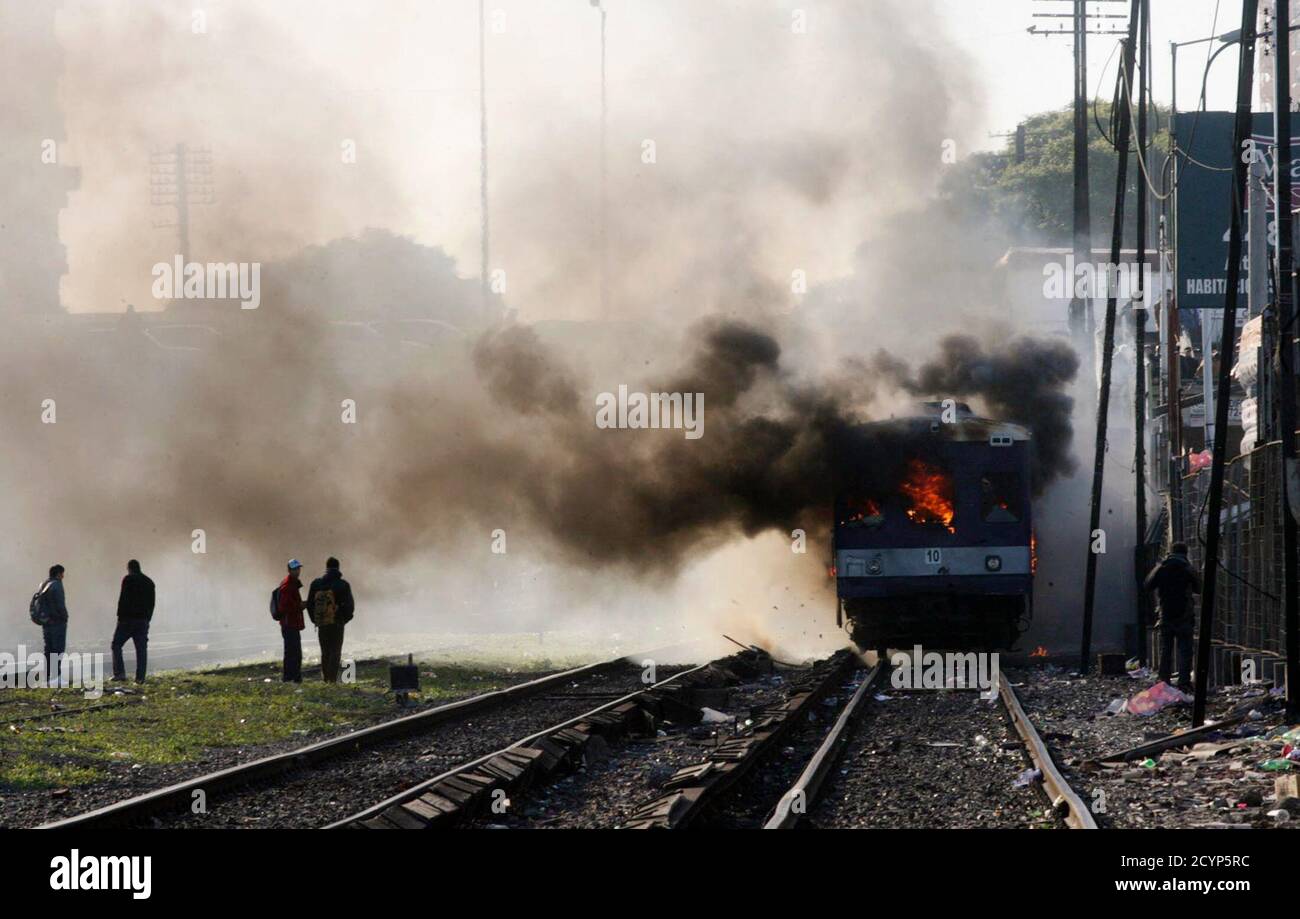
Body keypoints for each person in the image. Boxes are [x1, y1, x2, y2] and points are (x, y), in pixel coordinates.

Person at [1143, 542, 1201, 692]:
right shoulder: (1187, 568)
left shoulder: (1162, 568)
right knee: (1185, 651)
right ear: (1185, 553)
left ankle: (1164, 681)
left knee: (1166, 650)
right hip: (1184, 616)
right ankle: (1184, 683)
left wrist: (1159, 566)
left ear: (1170, 553)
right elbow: (1199, 588)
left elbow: (1147, 585)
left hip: (1166, 615)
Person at [307, 557, 355, 683]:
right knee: (335, 651)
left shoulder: (316, 584)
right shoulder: (343, 585)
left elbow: (310, 605)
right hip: (337, 622)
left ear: (326, 568)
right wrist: (344, 619)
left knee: (325, 651)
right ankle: (332, 680)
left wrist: (315, 620)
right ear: (338, 568)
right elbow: (350, 607)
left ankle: (326, 678)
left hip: (322, 623)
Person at [111, 559, 155, 683]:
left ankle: (120, 674)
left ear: (129, 568)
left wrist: (120, 617)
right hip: (142, 621)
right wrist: (147, 618)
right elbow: (152, 603)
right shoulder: (149, 582)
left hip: (127, 620)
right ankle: (140, 678)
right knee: (141, 649)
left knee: (116, 645)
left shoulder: (128, 579)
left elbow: (123, 599)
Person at [276, 559, 308, 683]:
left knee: (292, 651)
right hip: (290, 624)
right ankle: (292, 677)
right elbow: (285, 607)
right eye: (295, 569)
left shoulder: (291, 583)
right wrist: (299, 606)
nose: (297, 571)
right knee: (293, 652)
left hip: (290, 623)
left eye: (298, 568)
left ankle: (291, 676)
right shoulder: (288, 585)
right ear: (289, 570)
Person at [37, 565, 69, 688]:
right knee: (58, 649)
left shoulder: (43, 585)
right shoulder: (57, 585)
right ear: (58, 574)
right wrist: (65, 617)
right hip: (57, 622)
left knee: (48, 650)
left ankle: (48, 677)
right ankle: (57, 677)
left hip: (46, 623)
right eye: (62, 573)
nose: (63, 576)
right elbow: (60, 605)